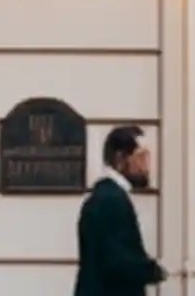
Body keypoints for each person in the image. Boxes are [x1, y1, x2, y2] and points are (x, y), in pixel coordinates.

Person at [73, 125, 167, 296]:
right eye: (141, 157)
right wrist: (152, 270)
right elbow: (117, 261)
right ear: (120, 159)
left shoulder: (105, 197)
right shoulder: (111, 200)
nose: (146, 167)